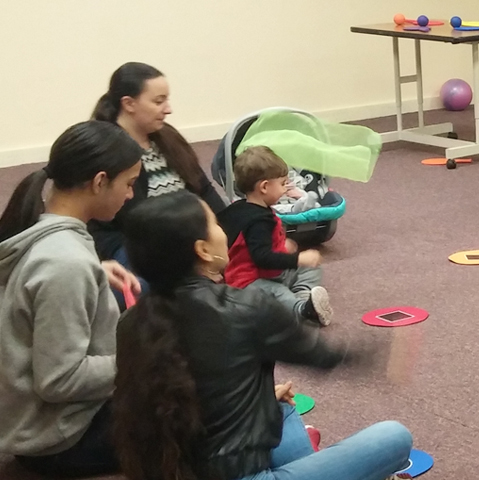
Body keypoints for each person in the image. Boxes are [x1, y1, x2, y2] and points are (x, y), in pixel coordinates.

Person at [111, 191, 414, 480]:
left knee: (279, 407)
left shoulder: (131, 323)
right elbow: (324, 357)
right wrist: (386, 352)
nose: (222, 230)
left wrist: (261, 400)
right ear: (202, 249)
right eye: (215, 224)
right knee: (395, 436)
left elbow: (183, 396)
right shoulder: (247, 307)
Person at [0, 120, 144, 478]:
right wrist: (138, 361)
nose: (130, 195)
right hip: (57, 441)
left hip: (39, 423)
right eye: (128, 184)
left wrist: (95, 269)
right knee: (205, 413)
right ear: (99, 181)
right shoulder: (66, 263)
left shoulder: (50, 236)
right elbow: (59, 380)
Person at [89, 62, 226, 269]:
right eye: (158, 101)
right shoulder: (106, 153)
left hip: (194, 243)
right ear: (129, 104)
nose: (168, 109)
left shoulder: (168, 138)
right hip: (146, 256)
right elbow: (105, 229)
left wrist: (230, 230)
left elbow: (204, 190)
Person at [216, 146, 333, 326]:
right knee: (278, 292)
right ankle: (303, 311)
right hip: (249, 281)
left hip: (271, 272)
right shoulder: (259, 221)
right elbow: (262, 258)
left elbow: (247, 243)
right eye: (282, 183)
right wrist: (297, 258)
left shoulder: (239, 209)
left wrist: (281, 246)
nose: (285, 189)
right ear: (264, 186)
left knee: (311, 267)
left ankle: (303, 297)